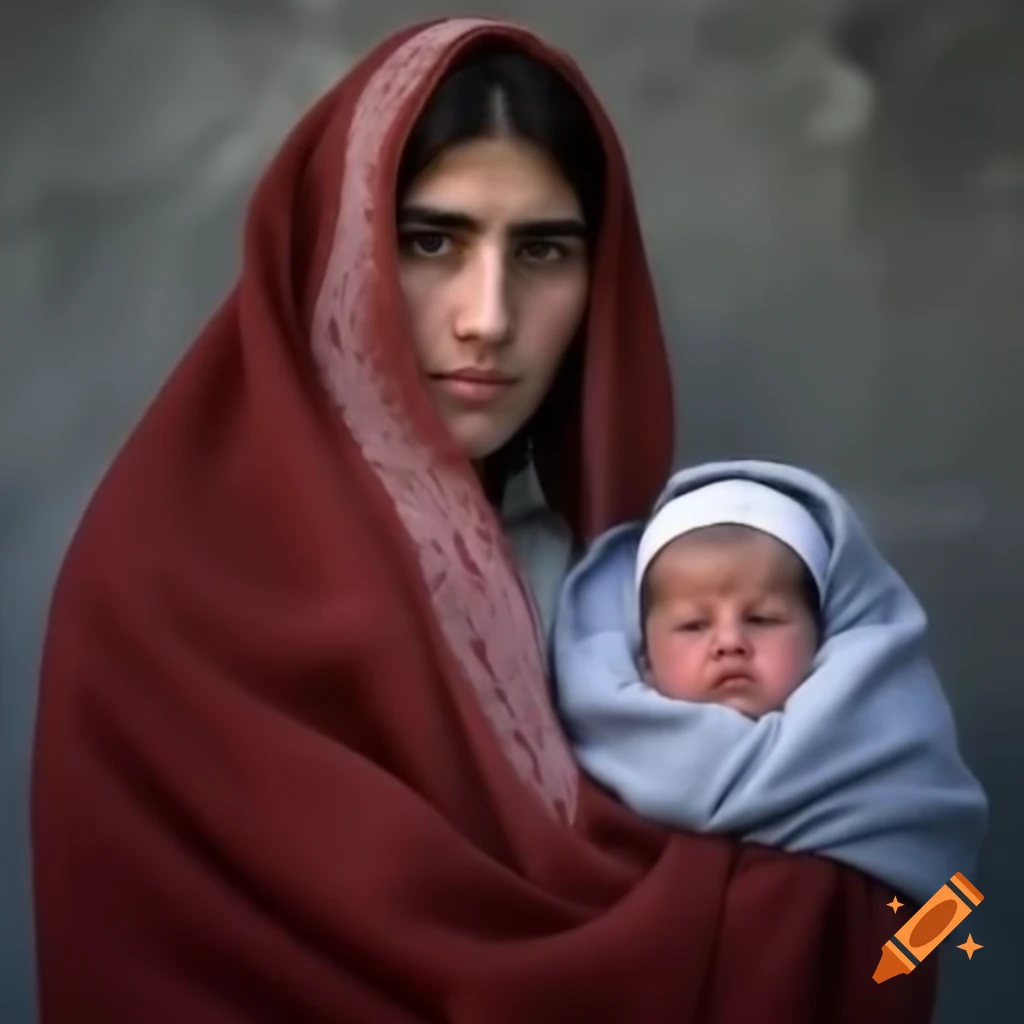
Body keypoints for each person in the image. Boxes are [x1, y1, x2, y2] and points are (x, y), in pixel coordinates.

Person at [31, 18, 940, 1024]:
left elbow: (937, 908)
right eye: (429, 241)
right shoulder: (158, 597)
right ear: (334, 255)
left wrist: (878, 861)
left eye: (544, 250)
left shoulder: (643, 594)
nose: (487, 315)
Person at [554, 461, 988, 906]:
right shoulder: (596, 769)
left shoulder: (899, 759)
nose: (729, 642)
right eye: (693, 625)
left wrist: (893, 968)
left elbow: (950, 899)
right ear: (644, 660)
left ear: (823, 640)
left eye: (763, 619)